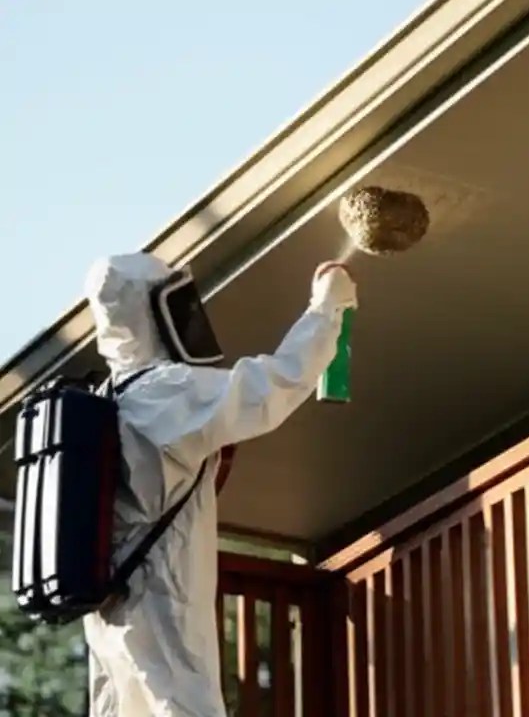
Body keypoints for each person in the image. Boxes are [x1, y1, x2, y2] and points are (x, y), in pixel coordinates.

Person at [80, 253, 357, 716]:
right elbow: (273, 385)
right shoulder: (161, 391)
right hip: (160, 594)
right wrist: (327, 307)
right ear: (154, 310)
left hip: (111, 609)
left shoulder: (109, 399)